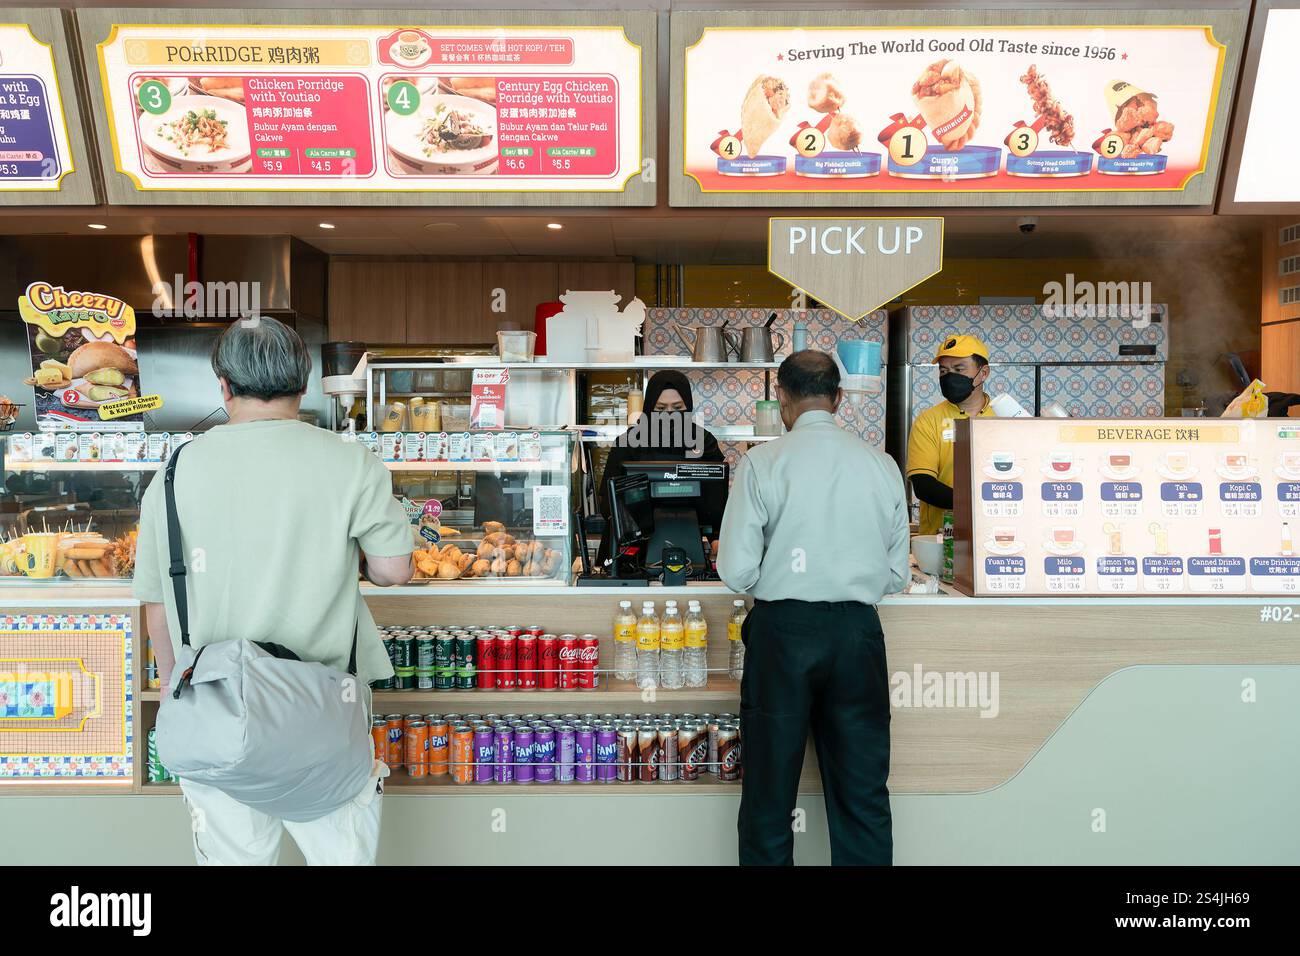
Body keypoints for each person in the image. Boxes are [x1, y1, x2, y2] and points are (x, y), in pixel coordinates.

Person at [133, 317, 413, 866]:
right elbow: (393, 571)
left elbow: (157, 606)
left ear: (224, 386)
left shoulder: (174, 470)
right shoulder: (352, 461)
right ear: (304, 384)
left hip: (216, 710)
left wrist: (174, 690)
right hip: (322, 710)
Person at [717, 350, 909, 866]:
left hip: (782, 634)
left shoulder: (762, 462)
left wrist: (780, 572)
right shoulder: (881, 465)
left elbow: (736, 571)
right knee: (863, 795)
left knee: (768, 797)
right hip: (857, 636)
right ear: (839, 398)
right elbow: (896, 575)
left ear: (781, 398)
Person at [596, 370, 727, 566]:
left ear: (688, 406)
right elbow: (608, 501)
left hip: (690, 550)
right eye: (660, 408)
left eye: (677, 407)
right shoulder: (628, 443)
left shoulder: (703, 442)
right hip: (632, 553)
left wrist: (717, 539)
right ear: (649, 408)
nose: (669, 414)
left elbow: (717, 500)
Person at [906, 334, 995, 535]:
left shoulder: (1004, 418)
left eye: (959, 369)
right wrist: (979, 504)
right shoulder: (929, 420)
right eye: (943, 371)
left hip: (994, 533)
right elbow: (923, 484)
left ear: (983, 373)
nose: (949, 376)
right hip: (941, 538)